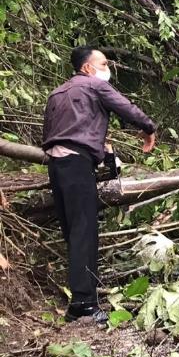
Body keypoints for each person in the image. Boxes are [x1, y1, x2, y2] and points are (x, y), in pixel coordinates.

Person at [42, 46, 157, 323]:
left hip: (56, 165)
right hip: (77, 163)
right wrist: (149, 128)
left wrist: (101, 152)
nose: (107, 69)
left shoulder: (56, 93)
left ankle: (79, 301)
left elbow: (58, 132)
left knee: (73, 230)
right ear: (87, 68)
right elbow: (126, 108)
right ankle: (84, 304)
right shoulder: (94, 85)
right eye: (103, 64)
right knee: (85, 230)